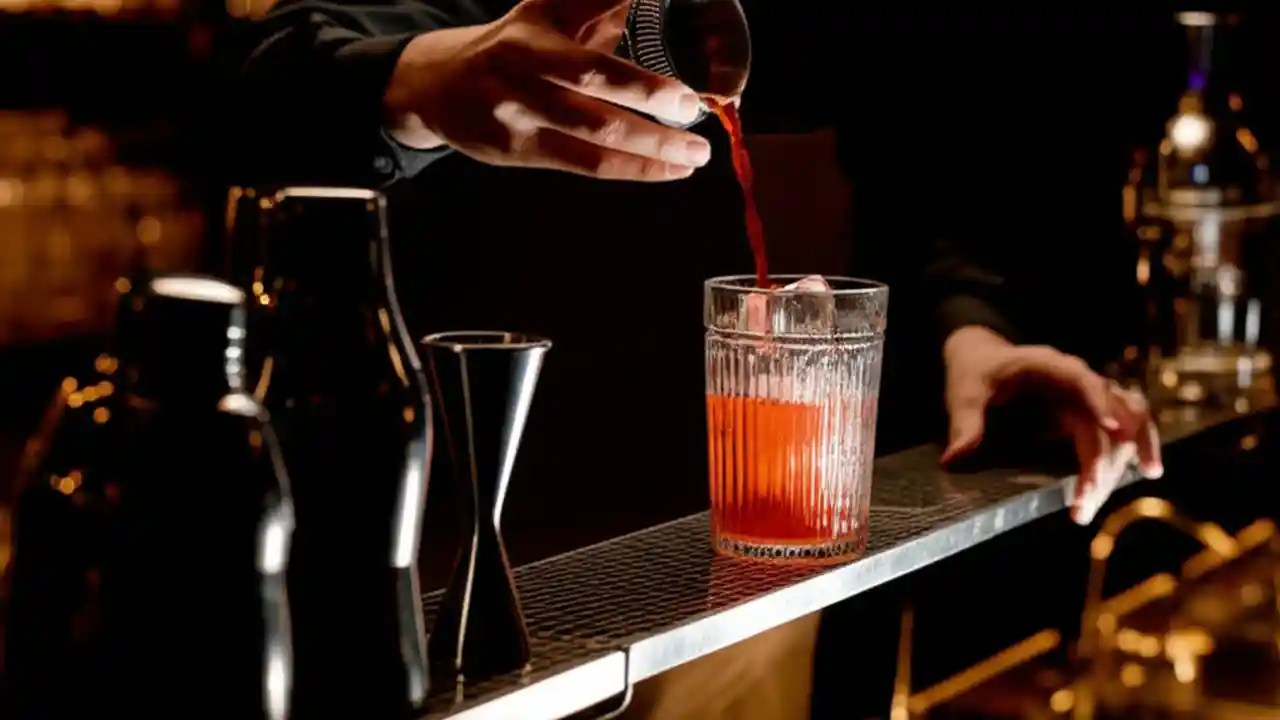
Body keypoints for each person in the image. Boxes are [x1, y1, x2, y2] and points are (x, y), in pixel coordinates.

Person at [236, 1, 1165, 717]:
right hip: (459, 557)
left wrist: (973, 333)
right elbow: (264, 80)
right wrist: (421, 80)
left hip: (759, 580)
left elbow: (925, 154)